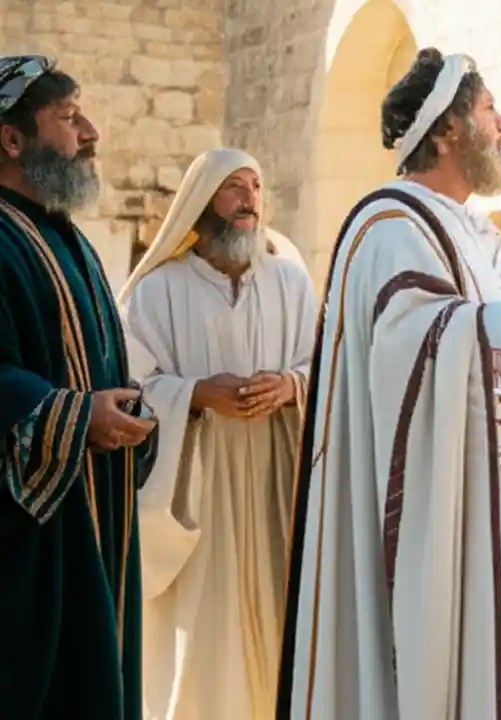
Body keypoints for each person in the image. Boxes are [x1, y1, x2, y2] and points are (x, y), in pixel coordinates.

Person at [276, 49, 501, 720]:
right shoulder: (390, 222)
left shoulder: (461, 229)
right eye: (487, 109)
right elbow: (403, 347)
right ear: (447, 131)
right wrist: (500, 319)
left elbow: (474, 336)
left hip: (471, 494)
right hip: (422, 509)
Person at [118, 147, 317, 720]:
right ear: (202, 202)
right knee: (203, 631)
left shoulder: (290, 280)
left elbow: (326, 363)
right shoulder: (157, 291)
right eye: (233, 186)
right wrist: (199, 394)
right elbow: (130, 383)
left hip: (276, 473)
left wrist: (289, 386)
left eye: (255, 185)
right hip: (197, 480)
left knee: (280, 619)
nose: (248, 199)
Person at [0, 55, 158, 718]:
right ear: (11, 139)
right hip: (32, 542)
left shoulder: (64, 236)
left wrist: (122, 407)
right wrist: (67, 415)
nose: (89, 132)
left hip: (95, 514)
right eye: (68, 118)